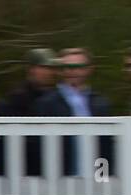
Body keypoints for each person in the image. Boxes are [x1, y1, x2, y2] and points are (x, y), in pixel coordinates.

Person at [34, 47, 112, 176]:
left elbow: (105, 145)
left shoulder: (100, 102)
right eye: (67, 67)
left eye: (78, 66)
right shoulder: (46, 103)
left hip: (96, 177)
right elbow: (39, 148)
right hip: (60, 178)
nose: (72, 71)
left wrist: (103, 177)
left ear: (89, 69)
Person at [6, 49, 57, 177]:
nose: (49, 72)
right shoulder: (18, 97)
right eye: (44, 67)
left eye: (51, 68)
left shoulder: (57, 95)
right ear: (31, 69)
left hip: (55, 164)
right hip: (27, 169)